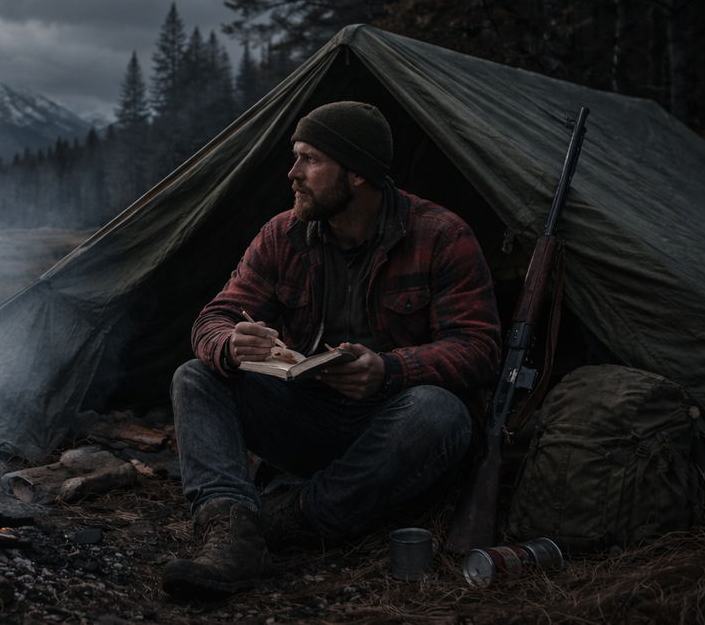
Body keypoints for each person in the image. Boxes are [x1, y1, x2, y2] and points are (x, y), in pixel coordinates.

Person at [161, 101, 501, 600]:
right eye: (295, 157)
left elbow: (480, 348)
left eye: (310, 159)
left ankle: (293, 517)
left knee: (439, 412)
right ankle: (232, 533)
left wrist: (388, 370)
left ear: (358, 173)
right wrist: (230, 345)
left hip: (393, 428)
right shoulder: (283, 234)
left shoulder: (442, 236)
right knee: (196, 375)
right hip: (310, 418)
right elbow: (214, 317)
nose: (293, 173)